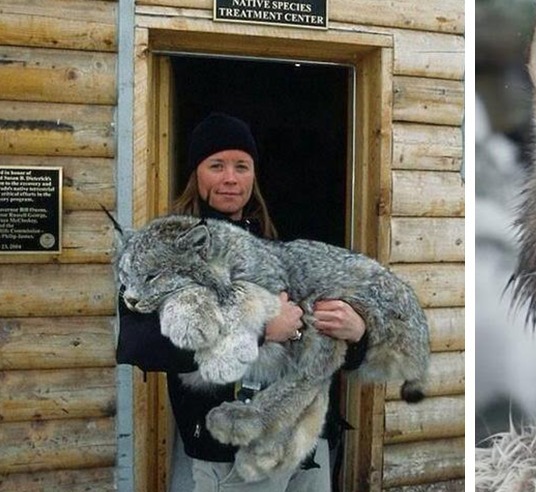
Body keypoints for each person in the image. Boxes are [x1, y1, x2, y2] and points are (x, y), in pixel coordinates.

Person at [117, 112, 368, 491]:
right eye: (216, 165)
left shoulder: (275, 244)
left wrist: (357, 333)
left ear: (254, 175)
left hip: (306, 444)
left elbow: (317, 337)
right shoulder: (163, 251)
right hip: (235, 451)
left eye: (241, 166)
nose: (230, 178)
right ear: (196, 174)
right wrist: (259, 331)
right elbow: (140, 344)